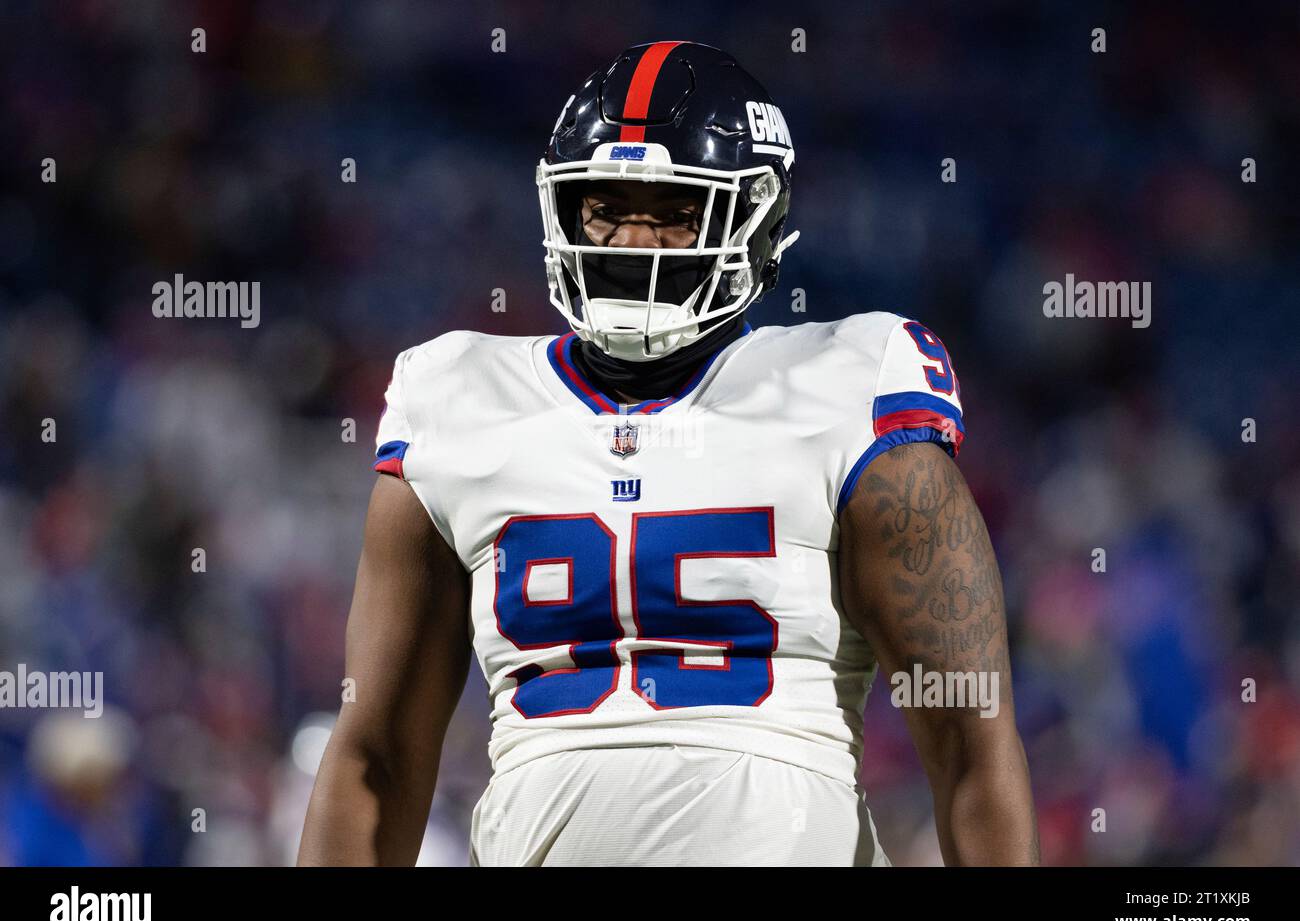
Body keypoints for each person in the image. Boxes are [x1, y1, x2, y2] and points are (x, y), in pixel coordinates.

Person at [299, 41, 1038, 866]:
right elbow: (377, 757)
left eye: (674, 210)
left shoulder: (850, 388)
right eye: (605, 205)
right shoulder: (458, 401)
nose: (633, 239)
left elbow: (969, 742)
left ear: (758, 219)